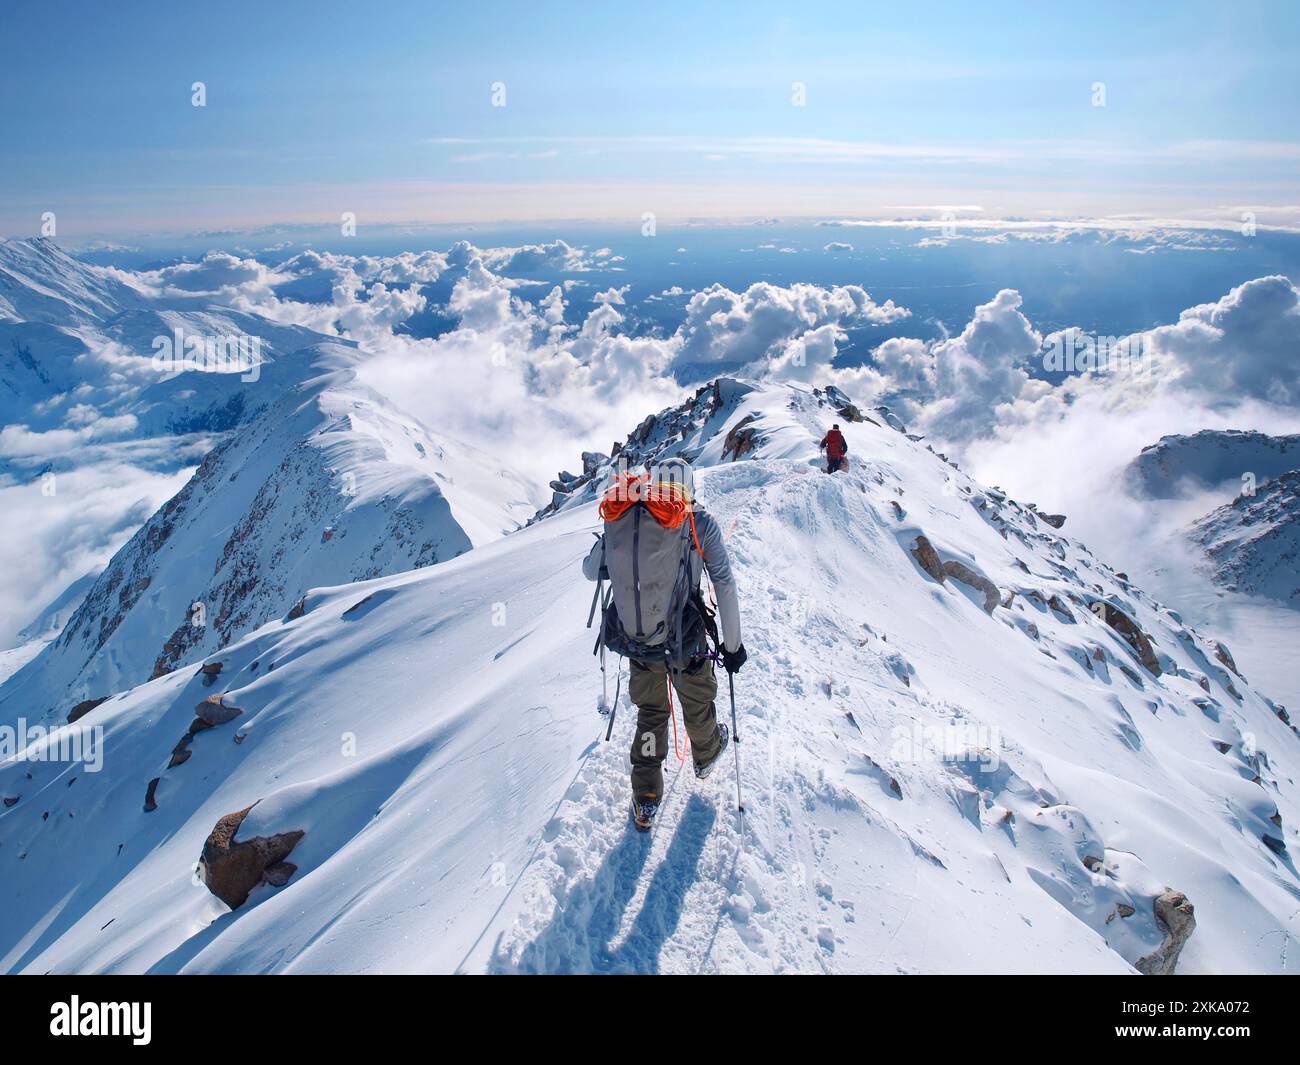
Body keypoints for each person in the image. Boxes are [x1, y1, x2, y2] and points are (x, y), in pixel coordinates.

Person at [583, 457, 747, 831]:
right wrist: (733, 645)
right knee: (698, 699)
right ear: (689, 487)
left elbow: (592, 571)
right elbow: (724, 584)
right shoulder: (699, 523)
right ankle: (706, 753)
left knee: (651, 713)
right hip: (685, 639)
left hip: (639, 640)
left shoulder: (629, 518)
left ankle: (646, 799)